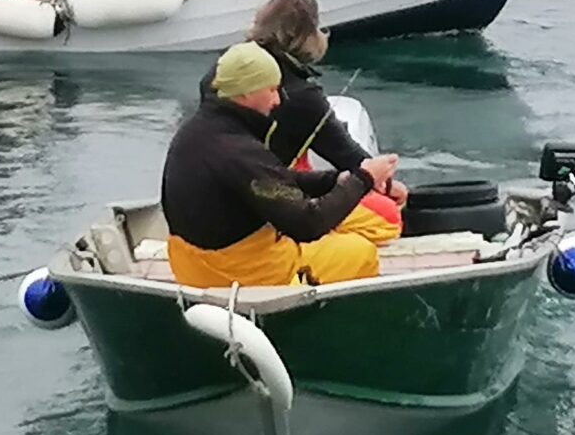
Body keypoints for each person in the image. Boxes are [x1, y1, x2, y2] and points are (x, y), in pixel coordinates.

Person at [163, 42, 402, 289]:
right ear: (246, 94)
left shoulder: (196, 132)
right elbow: (308, 224)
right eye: (272, 89)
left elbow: (267, 182)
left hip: (190, 265)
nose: (278, 100)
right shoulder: (240, 151)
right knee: (360, 252)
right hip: (243, 273)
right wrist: (363, 178)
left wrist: (335, 180)